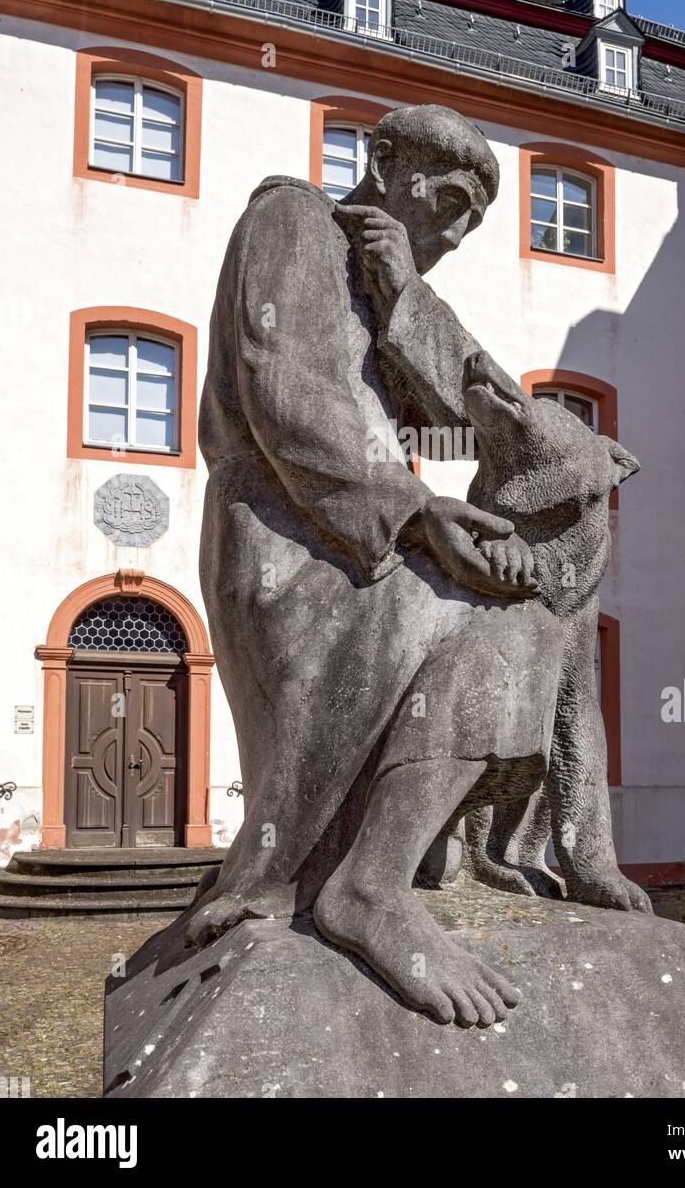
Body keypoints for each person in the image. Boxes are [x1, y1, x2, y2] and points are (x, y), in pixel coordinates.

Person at [189, 105, 563, 1026]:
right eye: (449, 197)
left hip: (364, 535)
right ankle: (360, 893)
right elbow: (284, 393)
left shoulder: (377, 271)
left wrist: (402, 299)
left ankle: (384, 874)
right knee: (499, 624)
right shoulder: (293, 219)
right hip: (286, 534)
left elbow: (469, 411)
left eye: (476, 215)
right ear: (384, 161)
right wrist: (413, 510)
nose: (458, 226)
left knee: (525, 615)